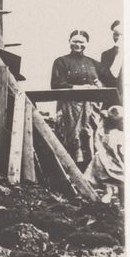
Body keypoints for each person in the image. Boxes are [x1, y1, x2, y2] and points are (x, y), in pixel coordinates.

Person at [50, 29, 105, 166]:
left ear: (87, 43)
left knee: (89, 138)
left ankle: (89, 172)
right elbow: (56, 84)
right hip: (70, 107)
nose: (78, 44)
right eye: (74, 41)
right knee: (71, 138)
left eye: (81, 41)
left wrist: (100, 84)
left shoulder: (94, 63)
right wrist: (78, 87)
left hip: (91, 108)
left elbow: (107, 80)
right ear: (69, 41)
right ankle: (71, 170)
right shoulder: (61, 61)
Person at [90, 105, 125, 205]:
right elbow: (121, 152)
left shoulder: (101, 131)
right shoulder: (118, 135)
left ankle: (109, 196)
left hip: (102, 160)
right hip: (113, 163)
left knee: (107, 183)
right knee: (122, 181)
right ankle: (121, 202)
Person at [99, 20, 123, 103]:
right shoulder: (106, 55)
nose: (119, 38)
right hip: (113, 102)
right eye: (116, 35)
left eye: (123, 35)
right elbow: (106, 80)